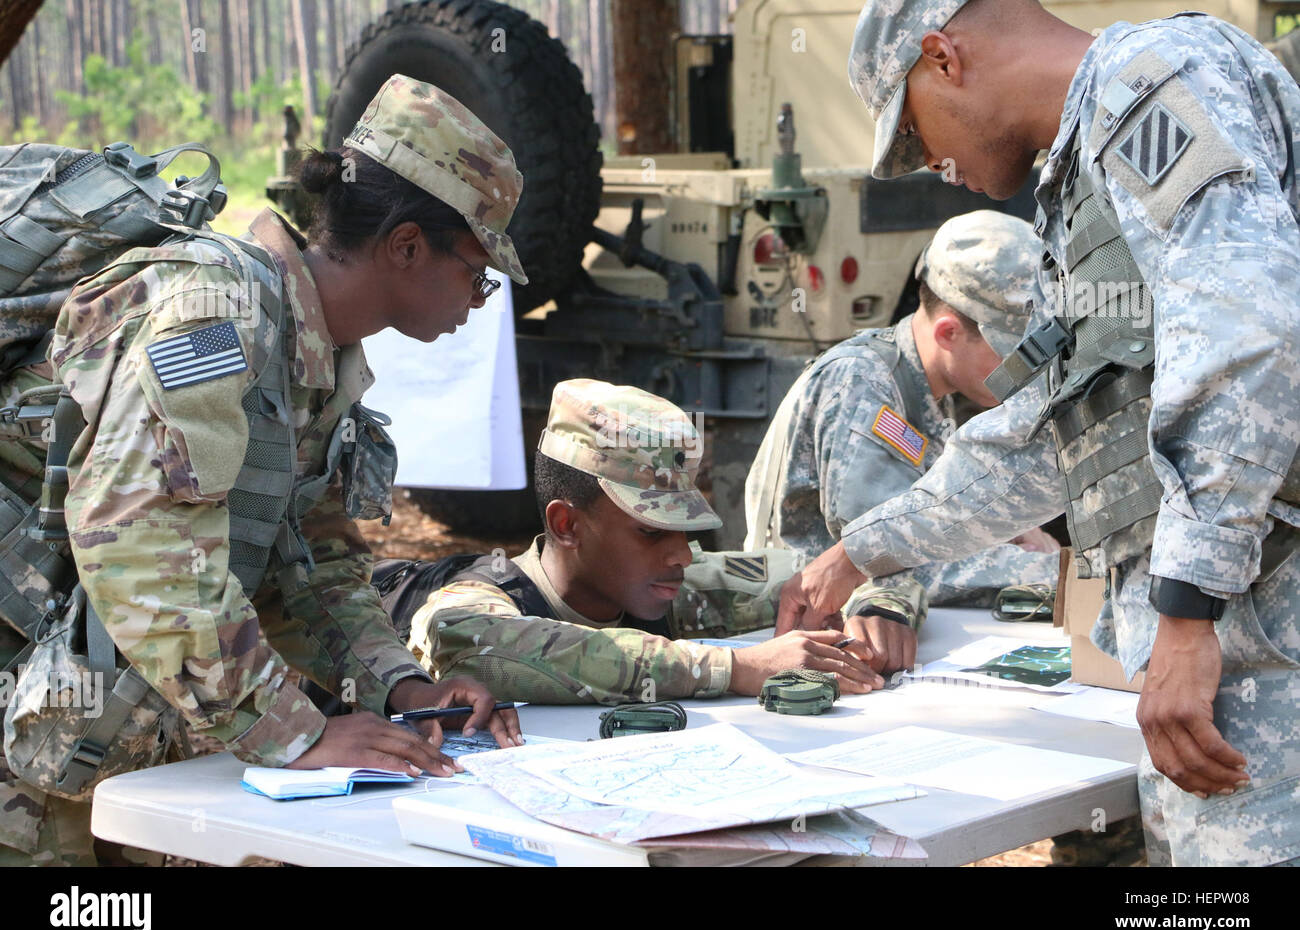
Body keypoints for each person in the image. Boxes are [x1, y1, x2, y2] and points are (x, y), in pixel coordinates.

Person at [782, 0, 1300, 866]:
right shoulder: (1082, 175)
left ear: (944, 57)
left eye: (916, 134)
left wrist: (1185, 614)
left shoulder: (1151, 85)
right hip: (1220, 650)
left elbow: (1252, 327)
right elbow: (1053, 429)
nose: (933, 168)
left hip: (1255, 633)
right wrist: (865, 550)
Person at [0, 75, 524, 866]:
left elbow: (316, 569)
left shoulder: (317, 364)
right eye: (477, 272)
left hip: (124, 726)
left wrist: (397, 688)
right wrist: (295, 730)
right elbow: (139, 549)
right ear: (407, 244)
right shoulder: (216, 314)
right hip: (33, 740)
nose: (480, 300)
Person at [391, 378, 905, 705]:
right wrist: (736, 668)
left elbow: (822, 573)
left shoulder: (665, 583)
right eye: (652, 531)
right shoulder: (473, 603)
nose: (682, 555)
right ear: (567, 525)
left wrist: (877, 607)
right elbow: (490, 649)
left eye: (686, 531)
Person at [744, 210, 1060, 654]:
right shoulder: (864, 383)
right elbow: (888, 559)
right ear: (948, 333)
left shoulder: (926, 384)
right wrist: (1055, 572)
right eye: (1014, 358)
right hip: (808, 633)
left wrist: (1006, 529)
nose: (1026, 375)